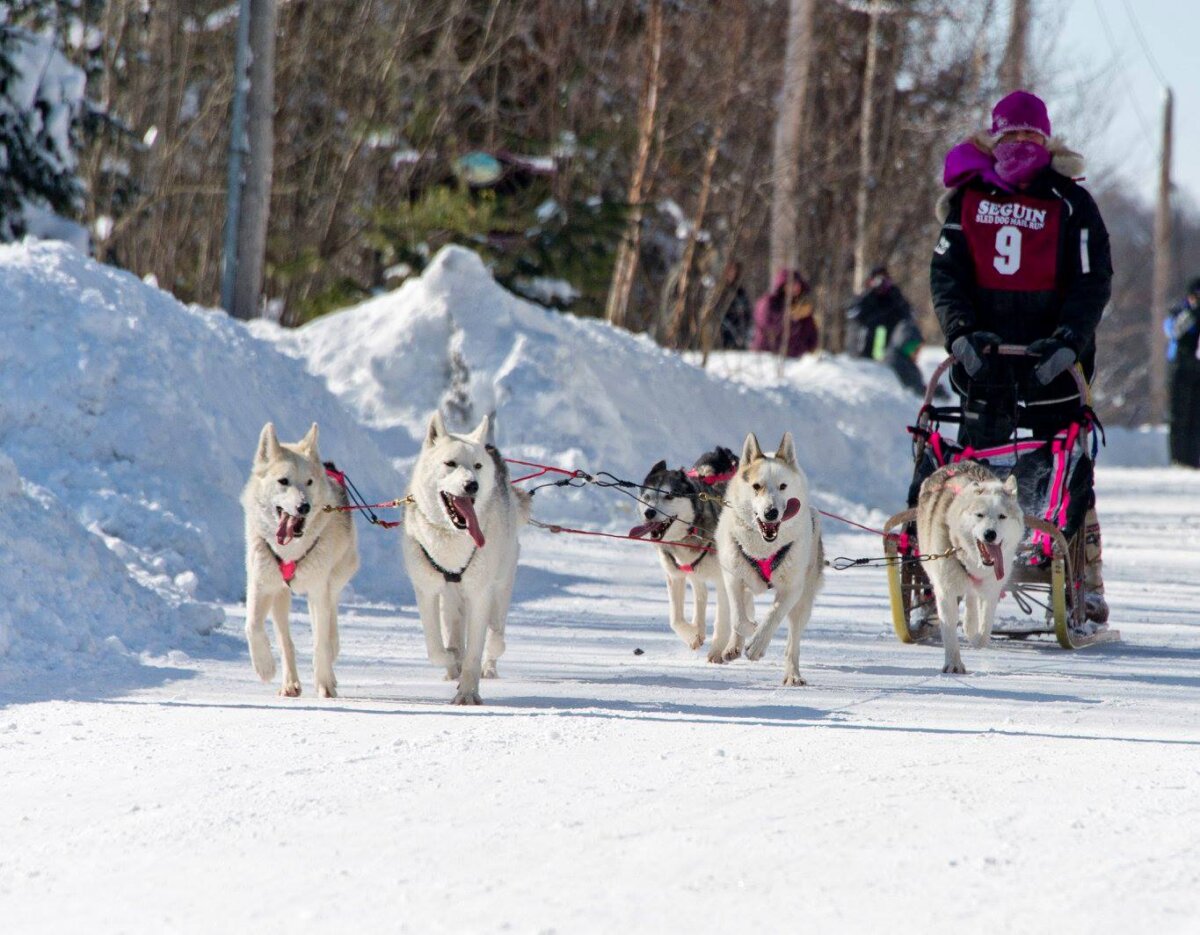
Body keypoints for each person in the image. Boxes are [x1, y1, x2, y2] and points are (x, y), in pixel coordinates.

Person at [930, 90, 1114, 626]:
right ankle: (963, 558)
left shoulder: (1073, 203)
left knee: (1068, 467)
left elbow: (1092, 281)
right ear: (994, 138)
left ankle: (1086, 574)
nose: (1020, 142)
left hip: (1053, 363)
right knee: (976, 465)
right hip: (984, 362)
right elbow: (946, 276)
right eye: (1010, 134)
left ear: (1046, 139)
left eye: (1030, 134)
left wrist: (1068, 340)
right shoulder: (968, 199)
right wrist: (959, 334)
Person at [846, 264, 931, 396]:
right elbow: (852, 314)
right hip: (866, 352)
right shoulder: (866, 298)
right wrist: (869, 293)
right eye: (877, 280)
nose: (881, 284)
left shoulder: (895, 297)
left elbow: (909, 316)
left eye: (885, 280)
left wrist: (894, 295)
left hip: (892, 350)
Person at [1166, 277, 1200, 467]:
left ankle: (1194, 459)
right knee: (1180, 414)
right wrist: (1192, 314)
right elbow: (1173, 330)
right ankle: (1178, 458)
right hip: (1181, 368)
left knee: (1196, 416)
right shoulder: (1181, 311)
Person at [751, 268, 819, 357]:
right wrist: (792, 317)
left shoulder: (801, 306)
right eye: (791, 284)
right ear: (783, 285)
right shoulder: (768, 302)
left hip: (795, 358)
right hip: (767, 356)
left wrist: (811, 347)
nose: (795, 287)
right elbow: (767, 323)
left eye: (797, 284)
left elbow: (810, 334)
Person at [715, 260, 753, 350]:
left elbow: (747, 313)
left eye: (733, 271)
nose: (731, 274)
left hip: (739, 332)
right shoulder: (719, 291)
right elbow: (717, 312)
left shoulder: (740, 291)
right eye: (729, 271)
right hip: (723, 332)